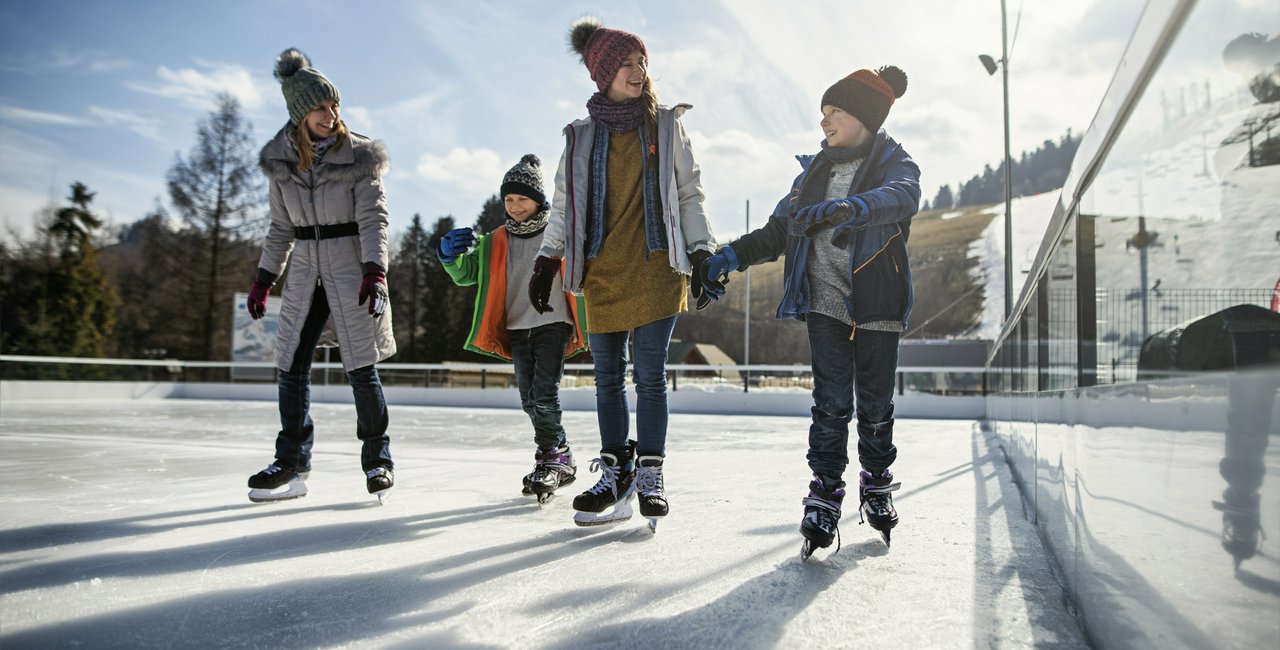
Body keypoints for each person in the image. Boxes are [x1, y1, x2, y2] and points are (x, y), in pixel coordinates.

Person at [699, 66, 920, 553]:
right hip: (825, 301)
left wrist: (851, 209)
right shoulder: (810, 178)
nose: (824, 121)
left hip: (878, 301)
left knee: (876, 404)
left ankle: (877, 480)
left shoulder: (894, 162)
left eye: (834, 110)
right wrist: (728, 258)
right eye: (823, 112)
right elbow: (778, 233)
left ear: (862, 114)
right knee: (831, 403)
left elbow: (904, 197)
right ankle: (825, 492)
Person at [528, 17, 716, 529]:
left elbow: (687, 193)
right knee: (606, 380)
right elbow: (564, 206)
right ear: (603, 73)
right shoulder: (580, 136)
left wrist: (701, 250)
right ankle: (616, 468)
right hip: (601, 272)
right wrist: (549, 257)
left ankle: (651, 471)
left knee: (649, 375)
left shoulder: (664, 125)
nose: (638, 72)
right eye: (627, 64)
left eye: (642, 63)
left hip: (656, 266)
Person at [244, 48, 397, 504]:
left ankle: (378, 461)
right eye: (321, 107)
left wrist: (375, 270)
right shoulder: (281, 164)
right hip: (305, 272)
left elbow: (375, 220)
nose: (331, 115)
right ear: (299, 113)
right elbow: (280, 228)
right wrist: (263, 278)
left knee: (361, 368)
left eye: (334, 106)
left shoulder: (361, 157)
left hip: (352, 269)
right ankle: (291, 462)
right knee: (290, 366)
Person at [437, 154, 589, 504]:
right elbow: (467, 274)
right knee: (527, 399)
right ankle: (559, 452)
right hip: (518, 327)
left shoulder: (560, 231)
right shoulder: (495, 240)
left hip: (554, 322)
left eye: (522, 198)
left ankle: (550, 456)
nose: (516, 206)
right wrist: (450, 258)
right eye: (509, 199)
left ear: (538, 200)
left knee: (544, 393)